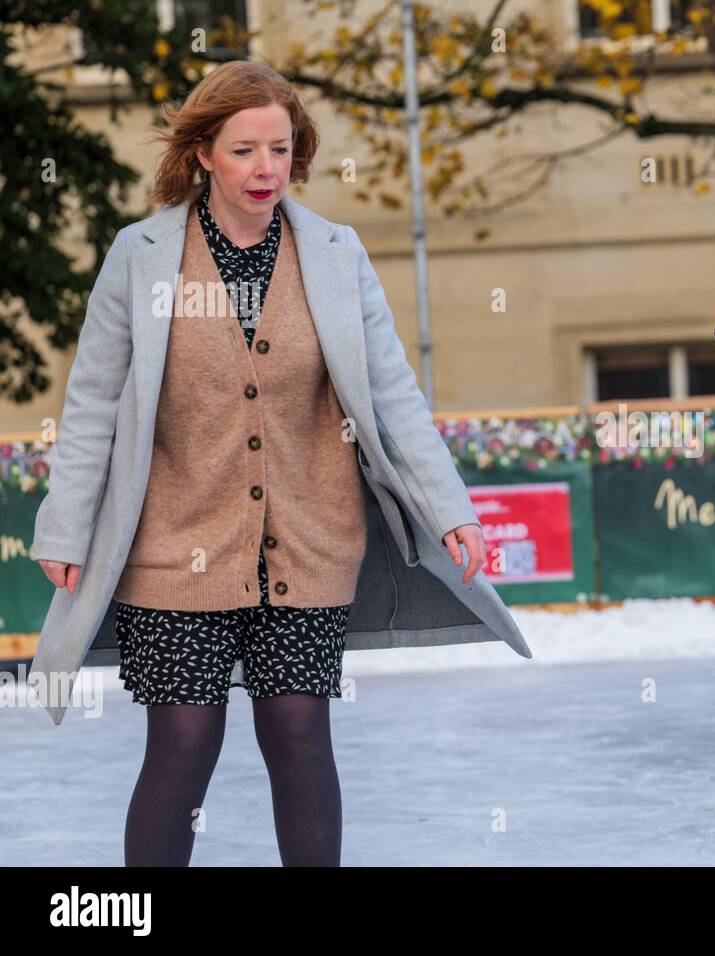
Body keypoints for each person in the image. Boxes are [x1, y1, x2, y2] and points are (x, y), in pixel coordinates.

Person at [28, 61, 530, 866]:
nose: (266, 169)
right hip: (176, 543)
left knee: (299, 736)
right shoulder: (142, 255)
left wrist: (453, 509)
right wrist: (67, 527)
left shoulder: (335, 253)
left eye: (280, 149)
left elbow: (391, 393)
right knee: (183, 745)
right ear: (202, 155)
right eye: (244, 150)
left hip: (306, 540)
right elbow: (92, 400)